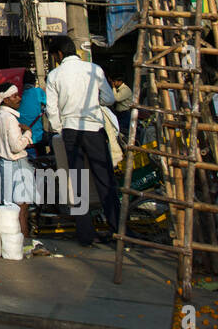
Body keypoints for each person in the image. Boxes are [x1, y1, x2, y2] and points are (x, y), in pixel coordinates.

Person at [44, 37, 117, 247]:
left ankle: (86, 234)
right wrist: (94, 103)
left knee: (78, 182)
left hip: (70, 131)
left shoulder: (54, 75)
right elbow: (109, 99)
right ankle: (116, 229)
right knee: (105, 180)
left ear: (58, 54)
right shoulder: (94, 69)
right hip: (94, 129)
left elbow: (52, 110)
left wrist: (60, 128)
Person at [0, 83, 35, 238]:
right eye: (14, 96)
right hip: (17, 165)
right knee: (22, 209)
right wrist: (27, 133)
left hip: (3, 165)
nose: (18, 98)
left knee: (10, 208)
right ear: (5, 100)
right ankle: (24, 242)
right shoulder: (10, 118)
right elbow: (16, 146)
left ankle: (13, 242)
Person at [18, 70, 46, 158]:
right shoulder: (38, 92)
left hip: (20, 137)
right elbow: (49, 105)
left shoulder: (16, 95)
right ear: (34, 82)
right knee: (42, 162)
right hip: (37, 136)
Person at [108, 68, 135, 137]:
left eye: (114, 82)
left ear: (120, 81)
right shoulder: (118, 89)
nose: (113, 84)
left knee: (123, 131)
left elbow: (117, 98)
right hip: (119, 113)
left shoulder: (125, 89)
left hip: (125, 114)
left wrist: (113, 88)